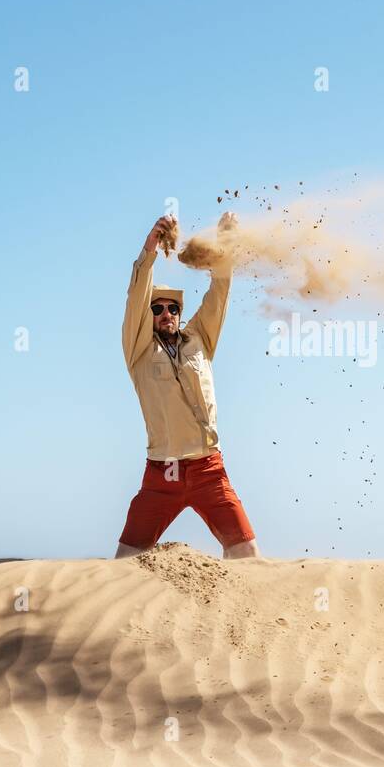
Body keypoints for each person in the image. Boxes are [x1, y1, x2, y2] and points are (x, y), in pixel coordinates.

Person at [114, 214, 261, 560]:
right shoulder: (138, 350)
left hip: (209, 469)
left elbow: (219, 292)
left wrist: (225, 241)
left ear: (181, 314)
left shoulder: (200, 340)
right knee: (123, 565)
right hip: (161, 476)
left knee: (247, 555)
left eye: (173, 308)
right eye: (158, 308)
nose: (166, 313)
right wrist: (150, 246)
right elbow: (136, 295)